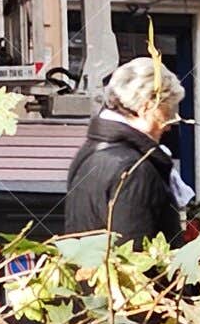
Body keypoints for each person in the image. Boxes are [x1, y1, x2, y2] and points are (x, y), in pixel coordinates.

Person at [63, 57, 188, 245]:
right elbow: (134, 255)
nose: (169, 125)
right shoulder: (135, 169)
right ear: (148, 108)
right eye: (167, 112)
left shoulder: (88, 152)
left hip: (89, 272)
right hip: (122, 273)